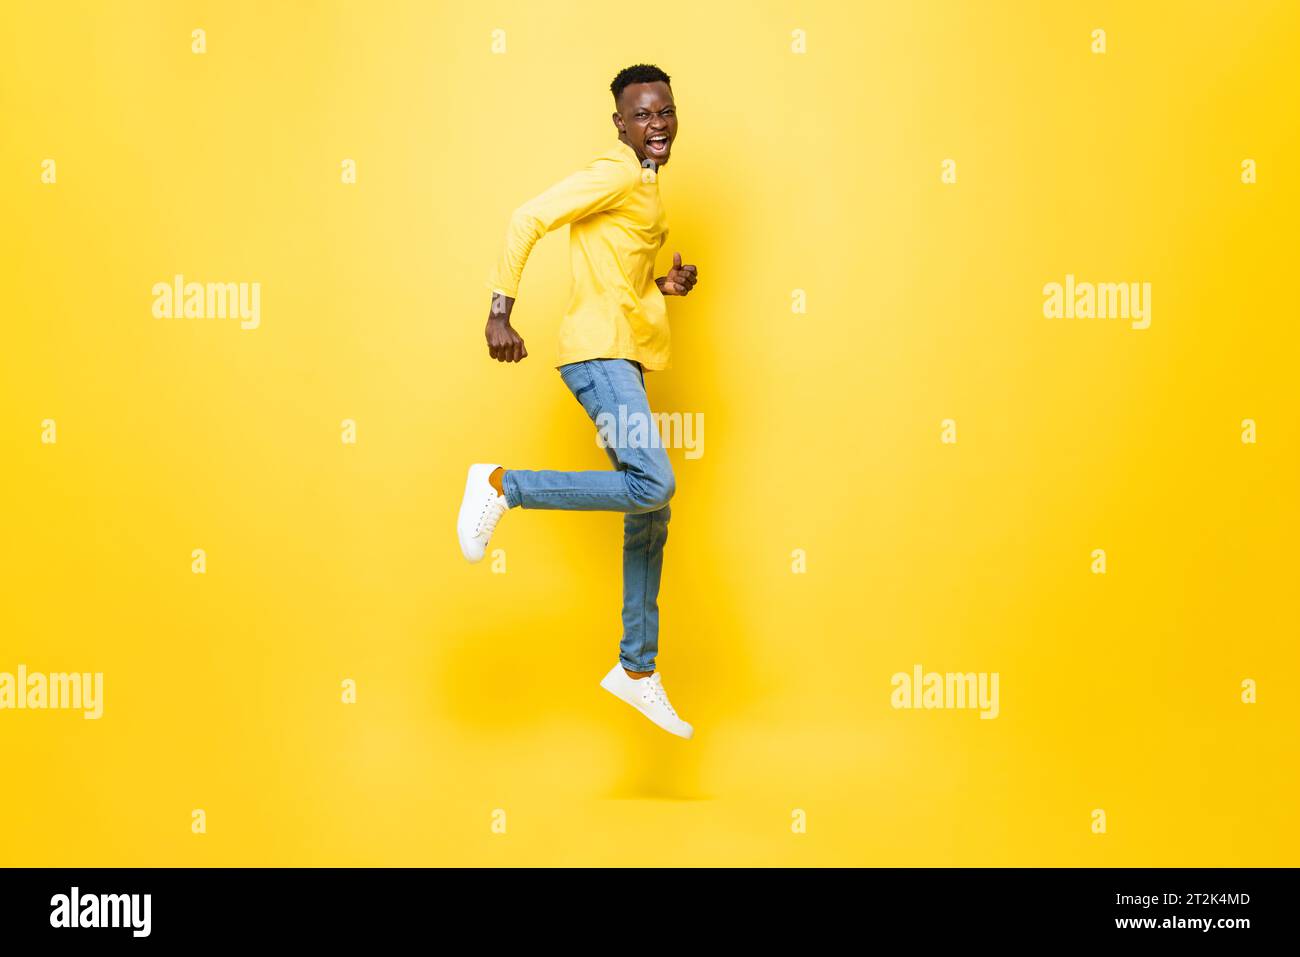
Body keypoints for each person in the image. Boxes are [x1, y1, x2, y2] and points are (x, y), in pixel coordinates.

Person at [457, 63, 699, 739]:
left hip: (624, 352)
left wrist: (664, 284)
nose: (658, 125)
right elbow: (528, 216)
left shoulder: (646, 188)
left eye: (666, 112)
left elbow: (617, 274)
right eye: (643, 116)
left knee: (652, 508)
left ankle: (638, 670)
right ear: (620, 124)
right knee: (652, 480)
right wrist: (499, 310)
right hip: (599, 353)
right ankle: (504, 485)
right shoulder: (617, 171)